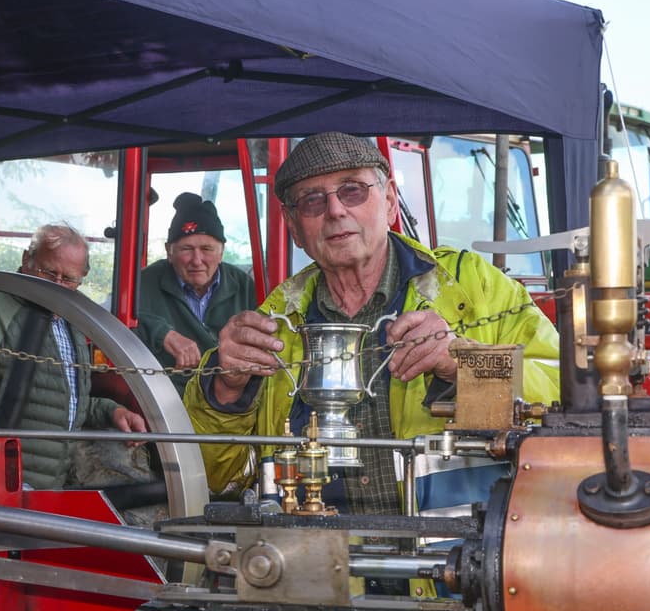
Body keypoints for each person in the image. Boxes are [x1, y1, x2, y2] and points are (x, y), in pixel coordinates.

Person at [183, 131, 560, 514]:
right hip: (312, 551)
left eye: (353, 191)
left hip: (455, 548)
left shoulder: (474, 287)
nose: (335, 211)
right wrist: (225, 391)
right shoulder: (273, 325)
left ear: (391, 201)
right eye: (312, 200)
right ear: (293, 227)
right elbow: (218, 478)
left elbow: (565, 398)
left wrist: (462, 364)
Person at [0, 224, 147, 490]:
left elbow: (59, 403)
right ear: (26, 260)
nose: (57, 285)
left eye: (68, 279)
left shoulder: (73, 324)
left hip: (45, 490)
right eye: (49, 272)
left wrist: (113, 411)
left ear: (82, 278)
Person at [136, 192, 257, 396]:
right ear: (169, 251)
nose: (197, 260)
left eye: (207, 249)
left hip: (231, 398)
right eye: (187, 249)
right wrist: (163, 334)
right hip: (165, 399)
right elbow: (110, 320)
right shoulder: (144, 282)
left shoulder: (244, 285)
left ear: (221, 252)